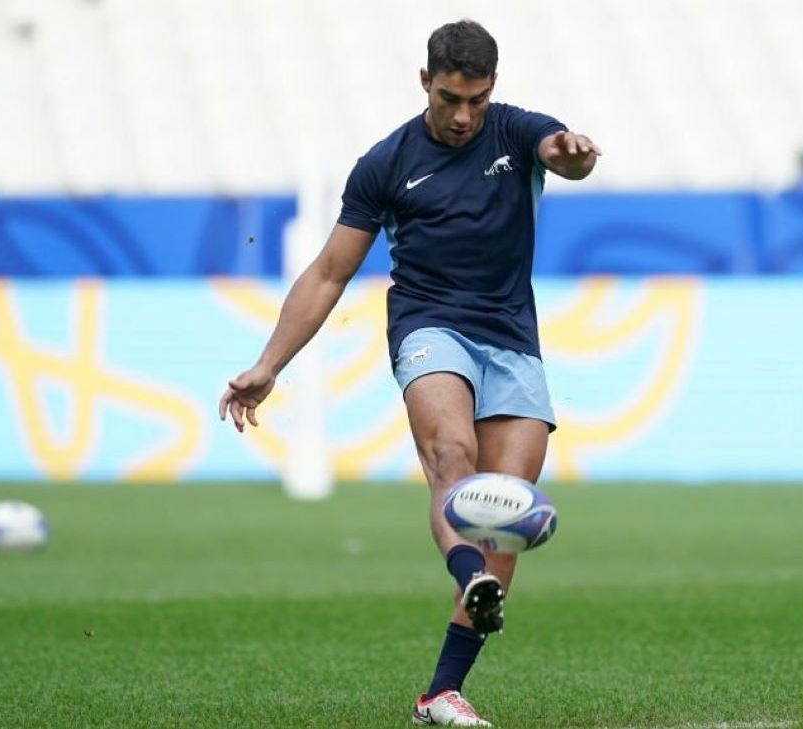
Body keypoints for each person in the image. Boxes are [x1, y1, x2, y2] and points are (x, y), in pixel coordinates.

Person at [218, 18, 600, 727]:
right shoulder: (386, 164)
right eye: (451, 98)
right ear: (425, 81)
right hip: (429, 328)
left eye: (476, 100)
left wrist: (573, 154)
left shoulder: (518, 133)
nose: (463, 116)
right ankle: (468, 575)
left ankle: (441, 692)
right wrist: (269, 365)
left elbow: (564, 155)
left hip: (513, 337)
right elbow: (331, 271)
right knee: (451, 458)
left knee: (508, 510)